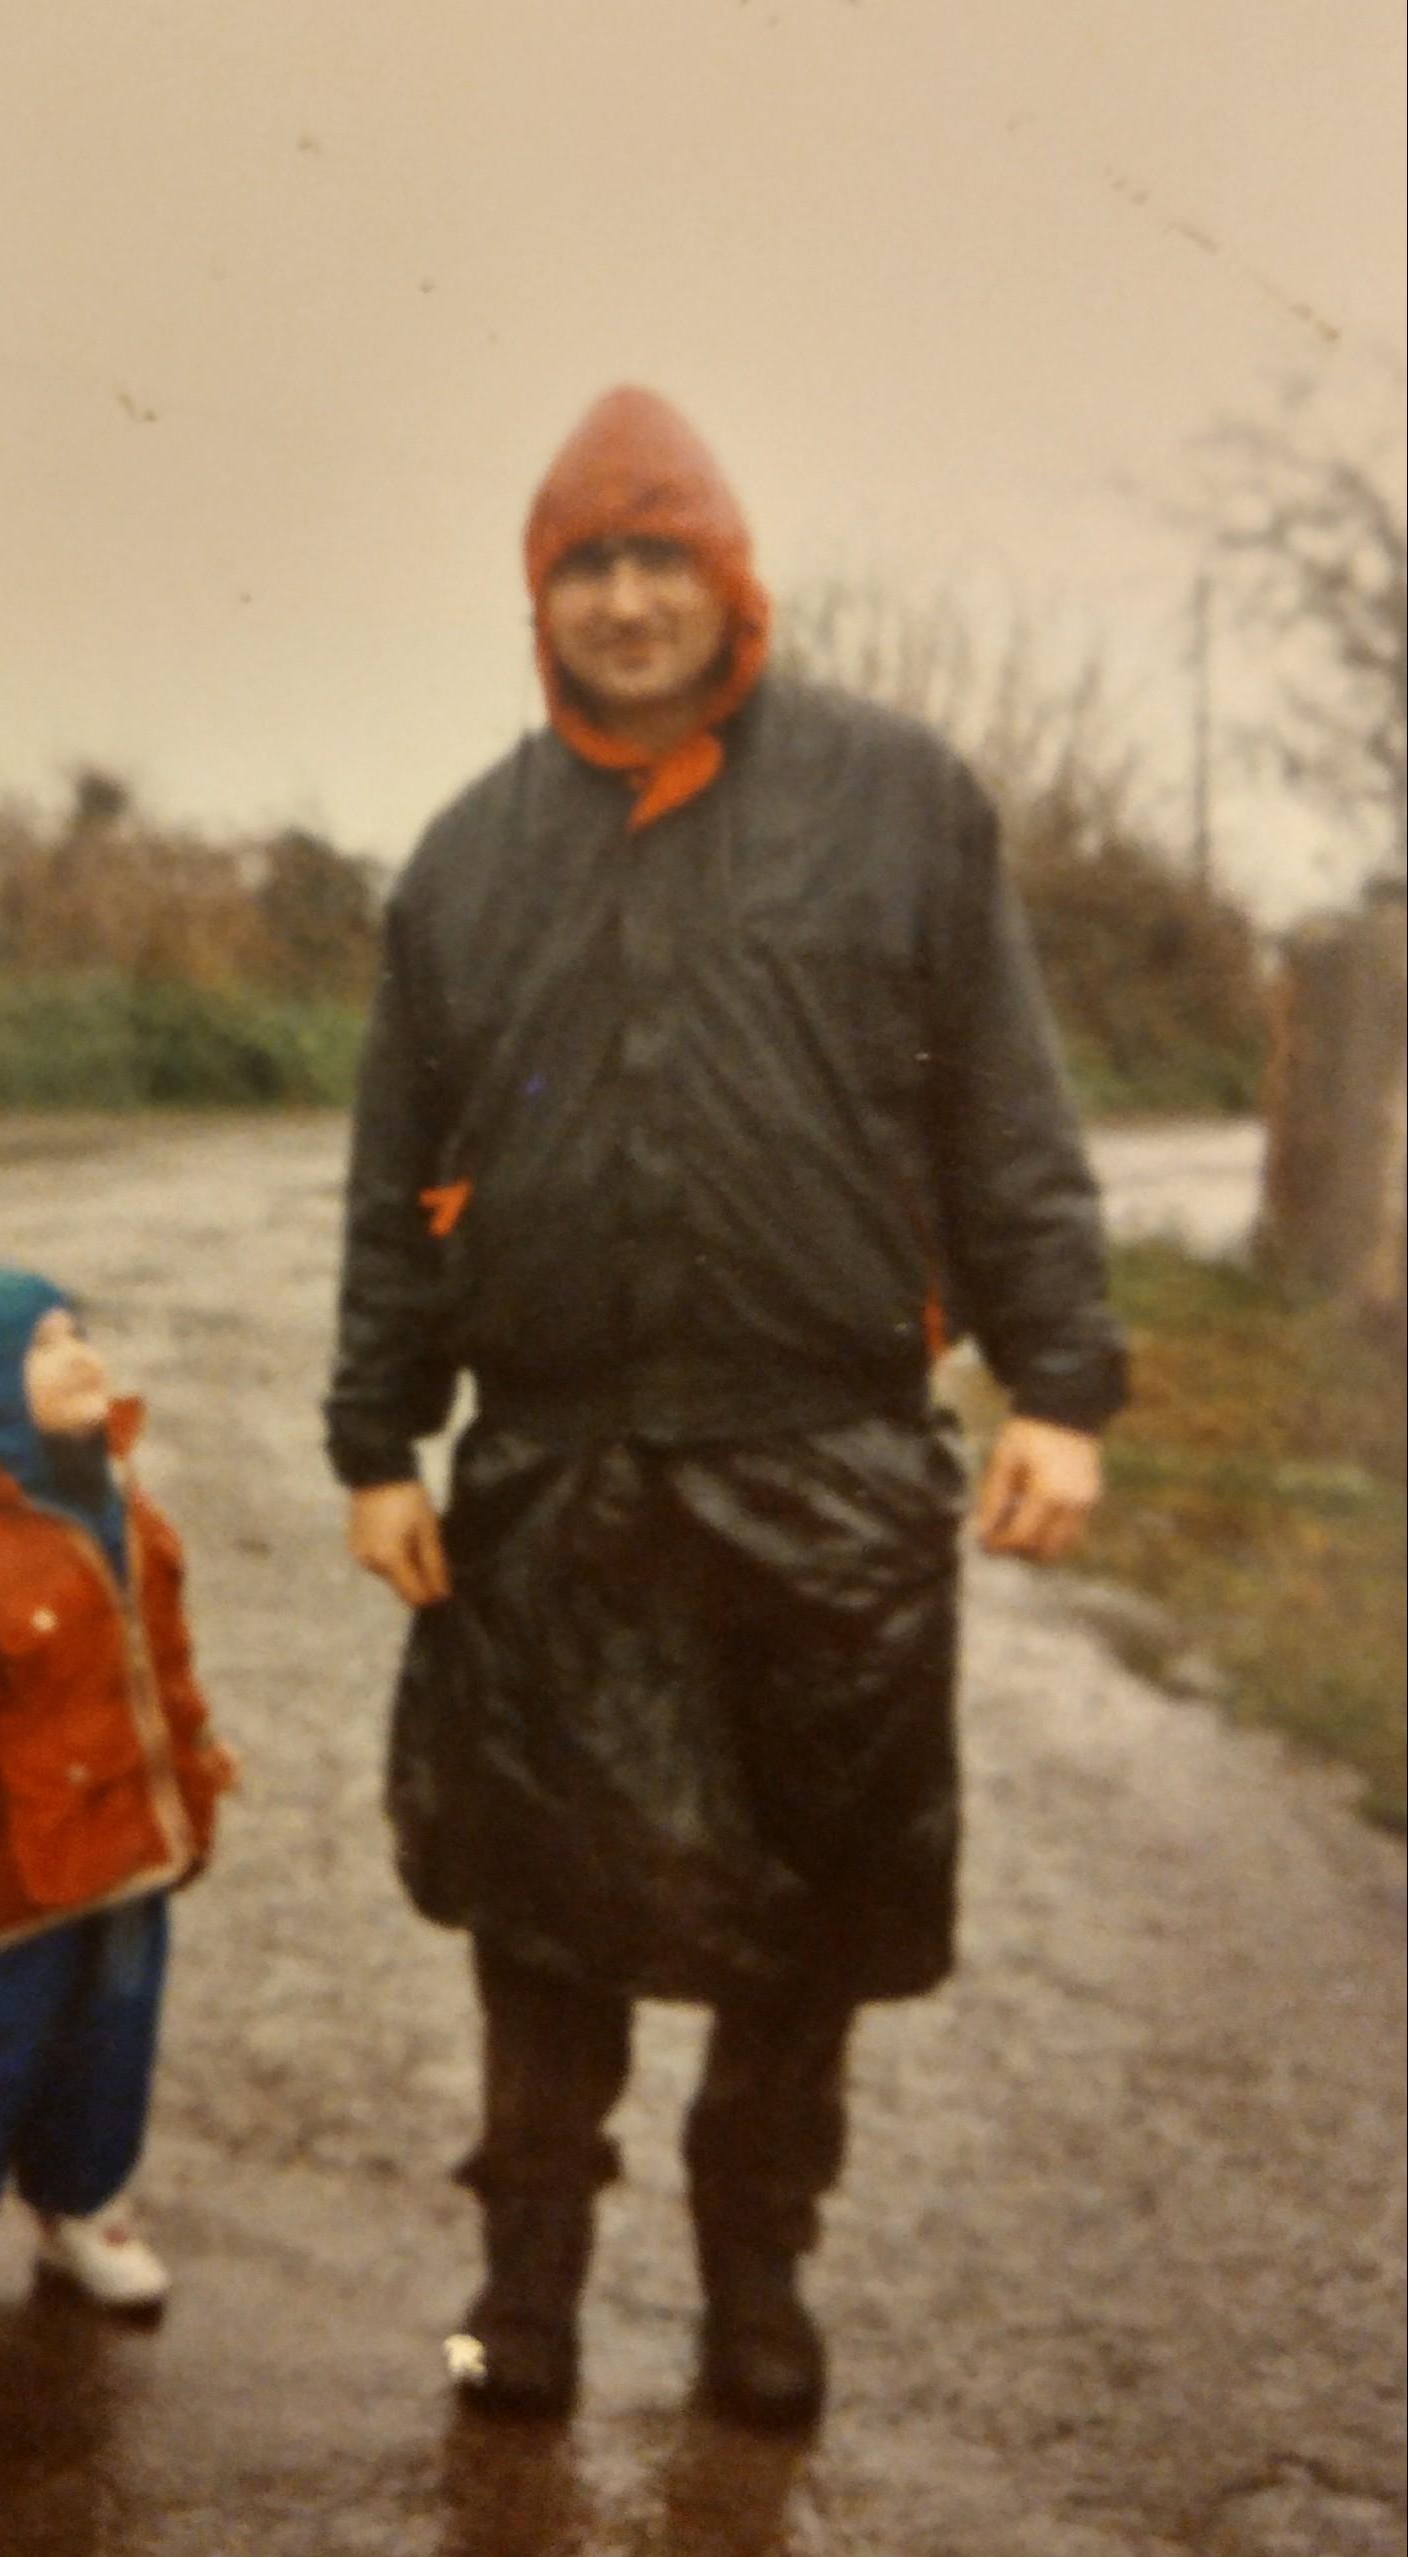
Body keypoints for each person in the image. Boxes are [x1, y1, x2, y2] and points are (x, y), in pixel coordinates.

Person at [326, 385, 1127, 2426]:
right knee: (542, 1900)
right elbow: (399, 1175)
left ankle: (756, 2280)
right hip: (556, 1463)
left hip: (825, 1458)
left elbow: (1005, 1123)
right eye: (584, 563)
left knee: (807, 1905)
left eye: (656, 556)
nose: (621, 598)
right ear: (542, 595)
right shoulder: (465, 864)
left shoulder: (901, 802)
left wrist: (1061, 1385)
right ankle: (526, 2290)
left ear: (728, 572)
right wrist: (373, 1435)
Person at [0, 1265, 238, 2317]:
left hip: (123, 1841)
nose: (82, 1358)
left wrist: (195, 1761)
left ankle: (83, 2208)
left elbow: (158, 1659)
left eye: (77, 1332)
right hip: (11, 1867)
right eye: (43, 1344)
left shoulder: (122, 1504)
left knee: (115, 2035)